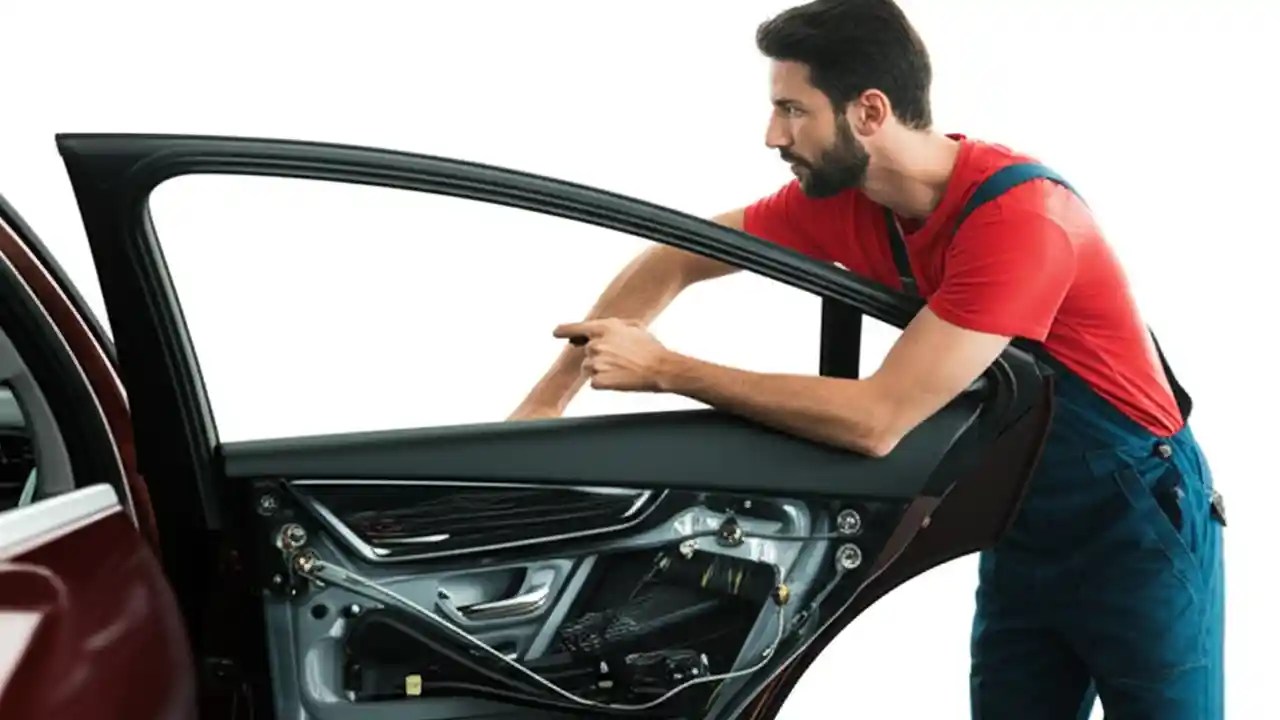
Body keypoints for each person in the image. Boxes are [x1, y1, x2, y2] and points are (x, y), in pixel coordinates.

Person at [509, 1, 1225, 717]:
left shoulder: (1022, 221)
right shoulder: (851, 201)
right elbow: (678, 254)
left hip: (1135, 519)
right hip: (1023, 520)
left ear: (869, 111)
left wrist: (670, 370)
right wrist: (550, 397)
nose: (772, 135)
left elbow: (878, 419)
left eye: (793, 110)